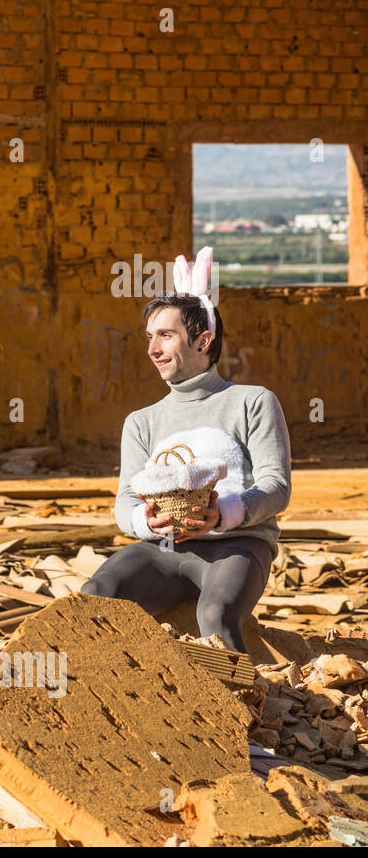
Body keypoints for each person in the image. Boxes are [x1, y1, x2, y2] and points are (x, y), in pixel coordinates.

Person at [80, 247, 291, 652]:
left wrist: (223, 514)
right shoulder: (142, 421)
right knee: (94, 596)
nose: (152, 349)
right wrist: (145, 521)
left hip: (238, 546)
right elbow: (124, 502)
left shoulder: (253, 402)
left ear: (202, 339)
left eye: (165, 335)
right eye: (149, 337)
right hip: (163, 549)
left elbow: (276, 485)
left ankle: (243, 711)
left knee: (214, 616)